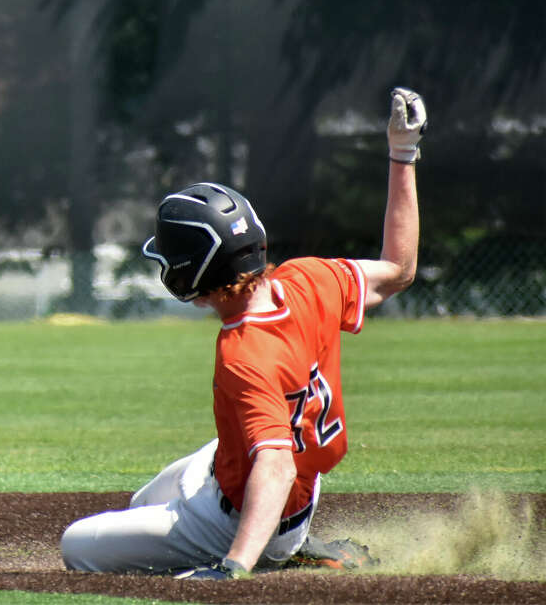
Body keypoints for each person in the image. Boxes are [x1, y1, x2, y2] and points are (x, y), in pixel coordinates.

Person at [60, 87, 427, 578]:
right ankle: (286, 542)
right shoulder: (309, 278)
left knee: (76, 546)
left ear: (189, 276)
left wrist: (235, 564)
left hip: (246, 515)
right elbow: (399, 269)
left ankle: (279, 553)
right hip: (283, 480)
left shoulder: (243, 351)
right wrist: (403, 151)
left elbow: (274, 466)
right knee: (143, 501)